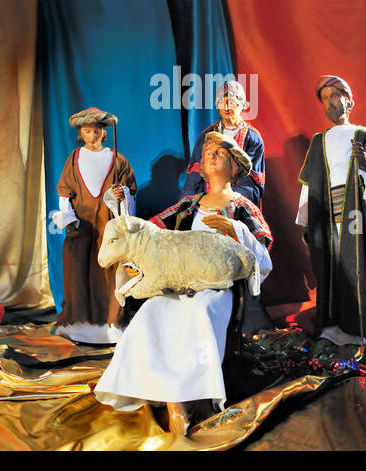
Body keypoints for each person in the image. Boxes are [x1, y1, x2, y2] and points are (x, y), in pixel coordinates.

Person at [94, 131, 273, 435]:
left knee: (199, 313)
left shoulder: (242, 205)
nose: (211, 157)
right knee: (154, 311)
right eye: (207, 154)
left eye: (220, 153)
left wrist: (234, 229)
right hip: (180, 281)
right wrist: (123, 206)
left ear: (235, 167)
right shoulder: (190, 204)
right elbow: (147, 233)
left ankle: (194, 395)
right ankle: (167, 396)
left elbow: (262, 247)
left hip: (218, 285)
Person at [297, 75, 366, 348]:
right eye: (325, 99)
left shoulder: (362, 135)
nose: (330, 104)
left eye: (335, 97)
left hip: (354, 211)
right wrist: (306, 222)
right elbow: (310, 184)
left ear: (349, 100)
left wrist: (364, 163)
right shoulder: (319, 141)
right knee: (328, 266)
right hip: (325, 212)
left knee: (355, 266)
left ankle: (356, 328)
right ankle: (331, 325)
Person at [52, 107, 136, 344]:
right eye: (87, 131)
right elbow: (65, 192)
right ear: (81, 132)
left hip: (107, 225)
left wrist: (123, 194)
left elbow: (129, 195)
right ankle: (79, 324)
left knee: (108, 273)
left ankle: (109, 322)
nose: (92, 135)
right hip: (82, 225)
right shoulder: (75, 158)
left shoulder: (117, 160)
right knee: (78, 272)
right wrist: (68, 218)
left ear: (104, 132)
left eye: (97, 131)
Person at [181, 80, 266, 205]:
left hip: (235, 202)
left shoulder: (252, 138)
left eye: (231, 102)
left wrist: (227, 201)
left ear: (241, 104)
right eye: (221, 102)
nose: (226, 108)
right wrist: (187, 205)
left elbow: (252, 182)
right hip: (206, 200)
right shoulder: (206, 135)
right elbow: (195, 176)